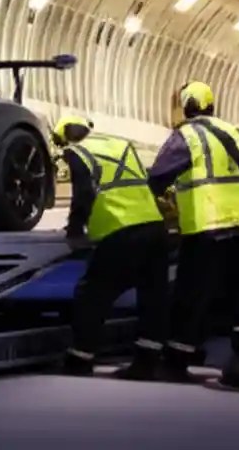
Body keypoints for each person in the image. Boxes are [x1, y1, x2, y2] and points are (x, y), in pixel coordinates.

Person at [146, 80, 239, 390]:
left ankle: (176, 362)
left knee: (191, 295)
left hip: (208, 229)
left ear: (186, 106)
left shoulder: (187, 135)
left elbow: (158, 177)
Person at [53, 115, 172, 380]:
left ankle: (80, 358)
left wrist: (74, 229)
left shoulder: (78, 152)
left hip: (121, 230)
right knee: (153, 297)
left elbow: (83, 193)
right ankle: (147, 361)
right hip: (154, 227)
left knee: (92, 294)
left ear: (65, 137)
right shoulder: (121, 145)